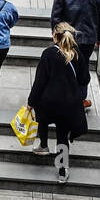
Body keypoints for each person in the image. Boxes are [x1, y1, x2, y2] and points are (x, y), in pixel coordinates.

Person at [28, 22, 88, 184]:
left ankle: (44, 145)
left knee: (42, 117)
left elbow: (40, 82)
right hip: (68, 104)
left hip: (48, 102)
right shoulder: (77, 55)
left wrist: (30, 102)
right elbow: (85, 79)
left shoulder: (48, 54)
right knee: (62, 136)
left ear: (55, 36)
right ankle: (62, 171)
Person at [50, 0, 100, 110]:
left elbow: (55, 19)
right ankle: (80, 100)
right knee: (83, 67)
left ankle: (63, 98)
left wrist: (56, 37)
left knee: (65, 67)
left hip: (66, 39)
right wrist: (99, 37)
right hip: (88, 40)